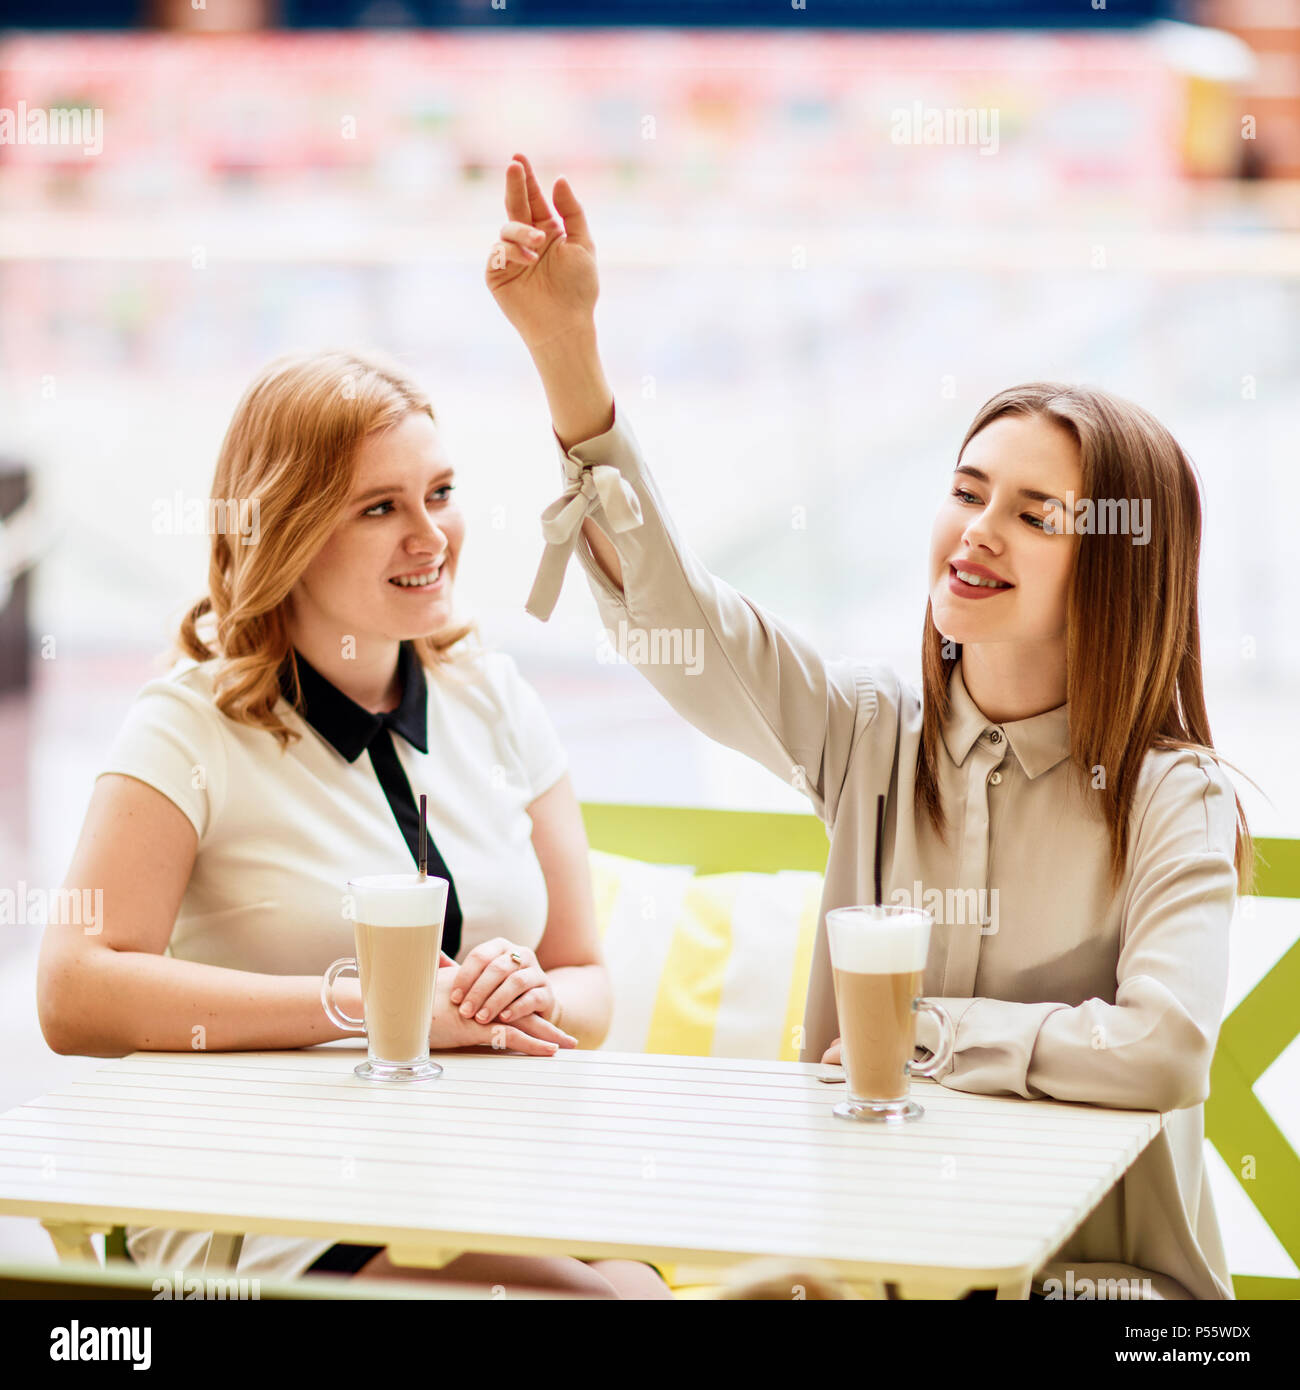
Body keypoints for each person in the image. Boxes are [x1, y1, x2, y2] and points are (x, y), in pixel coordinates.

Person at [486, 152, 1257, 1301]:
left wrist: (930, 1031)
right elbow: (681, 623)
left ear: (1115, 572)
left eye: (1033, 514)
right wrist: (565, 351)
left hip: (1112, 1293)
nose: (976, 530)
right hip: (882, 1273)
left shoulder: (1172, 796)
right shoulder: (868, 731)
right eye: (966, 489)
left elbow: (1163, 1047)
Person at [36, 346, 671, 1299]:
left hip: (491, 1170)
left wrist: (514, 1005)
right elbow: (73, 992)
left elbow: (587, 982)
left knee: (661, 1289)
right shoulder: (189, 726)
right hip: (275, 1200)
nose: (433, 536)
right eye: (381, 508)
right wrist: (375, 1008)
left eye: (441, 493)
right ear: (285, 531)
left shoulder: (494, 698)